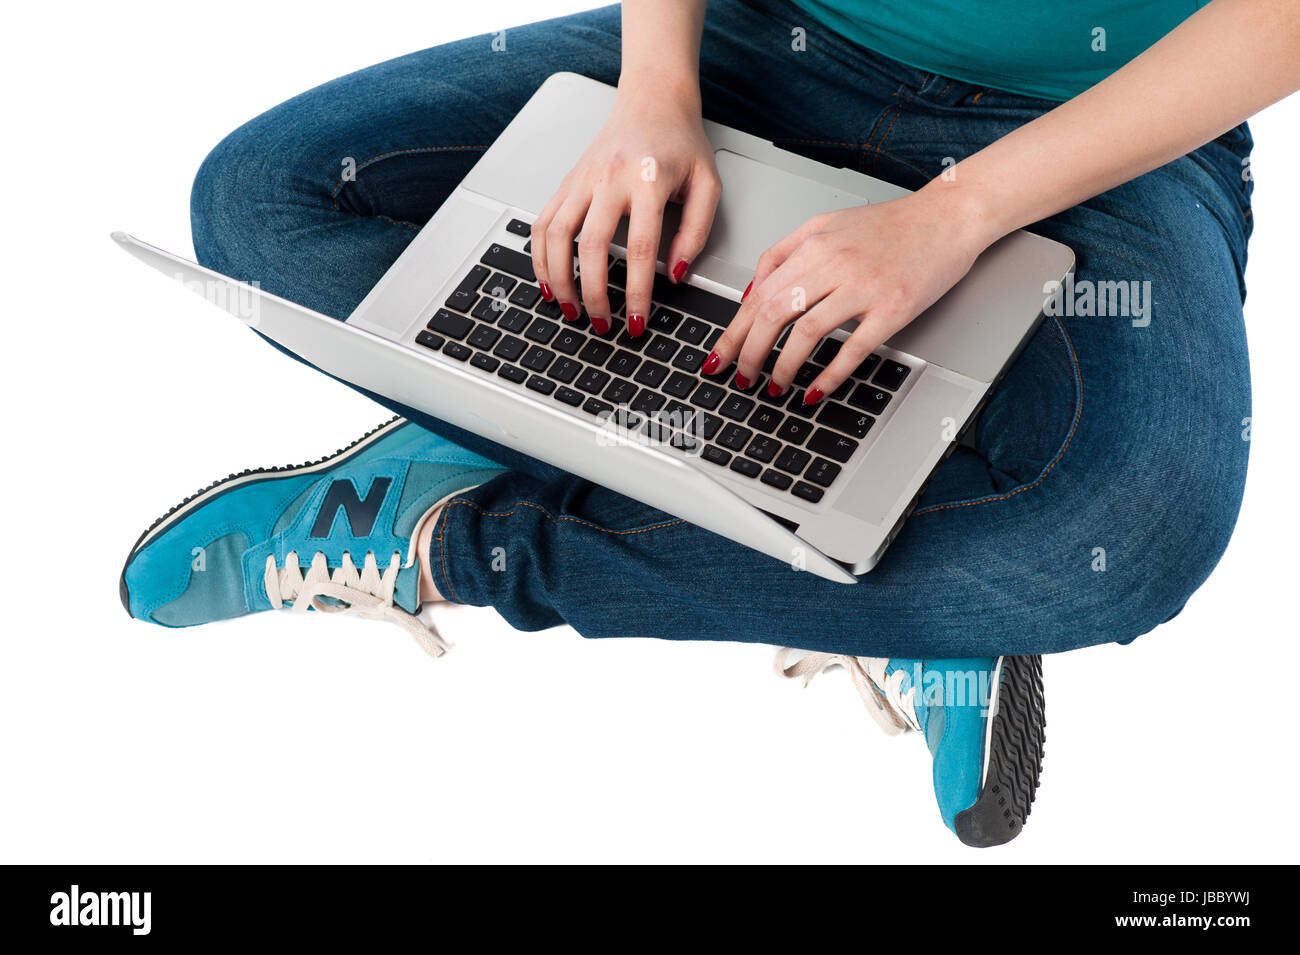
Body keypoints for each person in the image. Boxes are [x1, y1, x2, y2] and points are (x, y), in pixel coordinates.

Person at [118, 0, 1297, 846]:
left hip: (1108, 130)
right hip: (758, 37)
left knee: (1122, 540)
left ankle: (457, 534)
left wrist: (958, 214)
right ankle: (887, 570)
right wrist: (652, 98)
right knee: (266, 205)